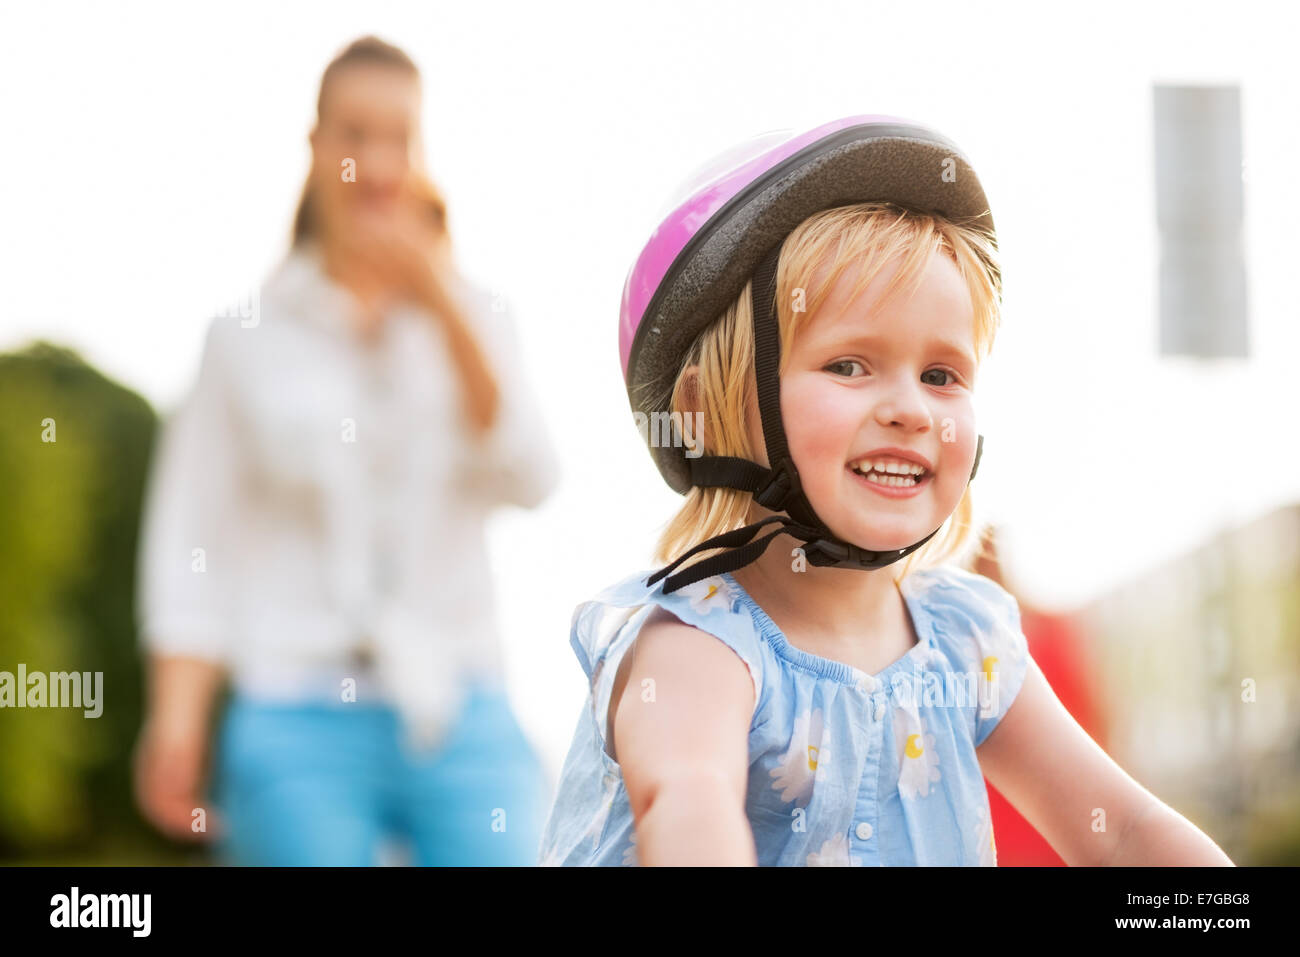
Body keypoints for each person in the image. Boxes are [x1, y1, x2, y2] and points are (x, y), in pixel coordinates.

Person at [538, 116, 1233, 866]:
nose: (911, 408)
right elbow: (686, 807)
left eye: (941, 375)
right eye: (849, 365)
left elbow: (1123, 831)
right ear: (711, 410)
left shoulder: (964, 648)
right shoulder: (699, 646)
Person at [132, 35, 559, 866]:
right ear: (318, 146)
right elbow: (194, 540)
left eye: (399, 136)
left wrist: (439, 301)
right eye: (354, 134)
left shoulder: (477, 318)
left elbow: (531, 475)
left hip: (461, 699)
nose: (376, 159)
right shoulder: (243, 337)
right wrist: (177, 720)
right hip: (293, 702)